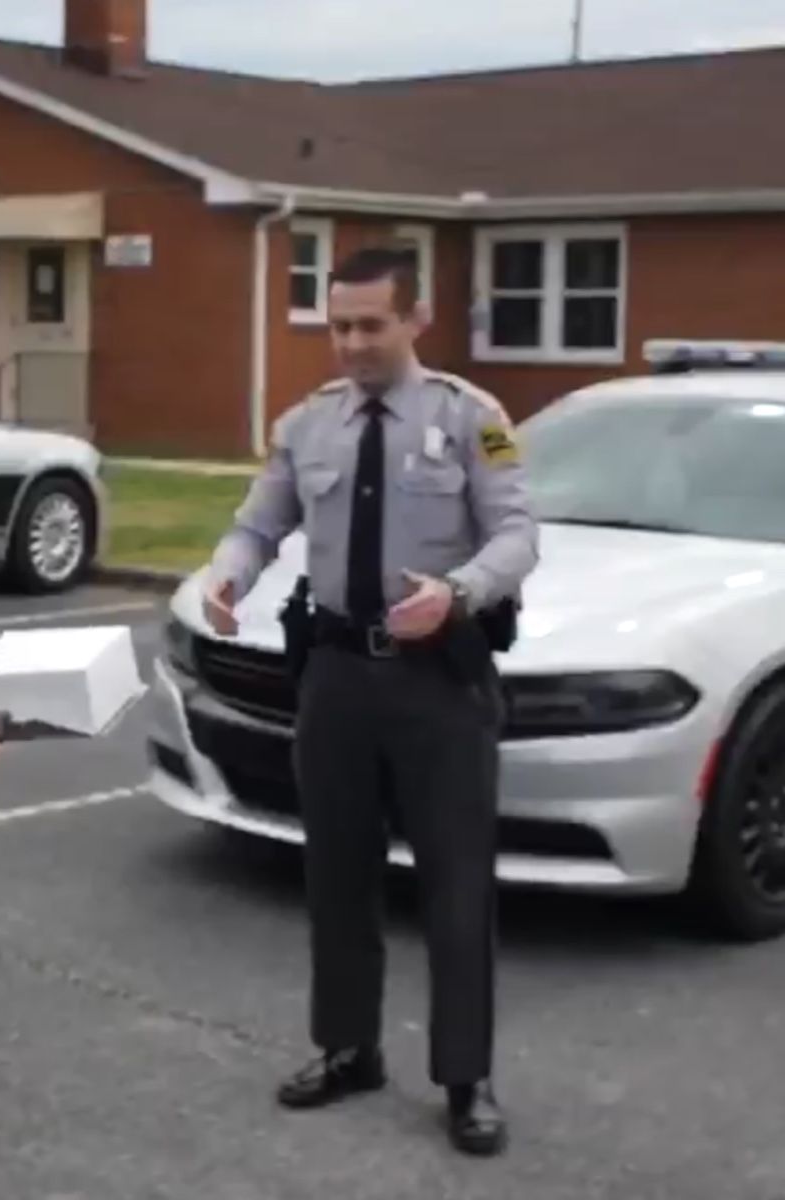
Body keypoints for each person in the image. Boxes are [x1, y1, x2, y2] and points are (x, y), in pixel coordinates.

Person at [199, 246, 538, 1157]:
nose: (349, 342)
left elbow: (517, 534)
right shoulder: (308, 425)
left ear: (413, 320)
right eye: (337, 325)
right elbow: (259, 522)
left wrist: (460, 592)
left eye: (369, 325)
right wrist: (227, 575)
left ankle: (467, 1080)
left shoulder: (474, 417)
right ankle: (348, 1049)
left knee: (457, 883)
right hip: (338, 677)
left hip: (438, 681)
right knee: (336, 874)